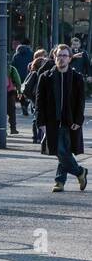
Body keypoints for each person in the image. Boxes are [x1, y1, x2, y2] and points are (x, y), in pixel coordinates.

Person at [36, 44, 87, 193]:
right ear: (54, 57)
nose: (61, 58)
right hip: (52, 121)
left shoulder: (77, 77)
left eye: (65, 56)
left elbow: (80, 101)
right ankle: (79, 172)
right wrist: (40, 122)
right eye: (59, 55)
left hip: (70, 121)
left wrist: (79, 120)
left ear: (70, 59)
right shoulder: (45, 77)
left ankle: (60, 181)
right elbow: (40, 102)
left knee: (63, 151)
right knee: (60, 150)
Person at [21, 51, 51, 144]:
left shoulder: (38, 72)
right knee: (37, 117)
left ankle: (38, 136)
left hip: (35, 97)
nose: (45, 59)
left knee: (37, 116)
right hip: (36, 97)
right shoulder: (37, 73)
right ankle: (37, 136)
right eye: (43, 57)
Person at [0, 58, 22, 136]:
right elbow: (18, 81)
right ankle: (13, 128)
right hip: (10, 93)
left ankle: (0, 128)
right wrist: (19, 92)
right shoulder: (12, 69)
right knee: (11, 112)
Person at [12, 38, 34, 114]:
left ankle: (22, 105)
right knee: (28, 91)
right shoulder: (32, 54)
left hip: (18, 76)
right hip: (29, 76)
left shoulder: (16, 55)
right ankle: (26, 103)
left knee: (20, 91)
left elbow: (13, 66)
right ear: (29, 45)